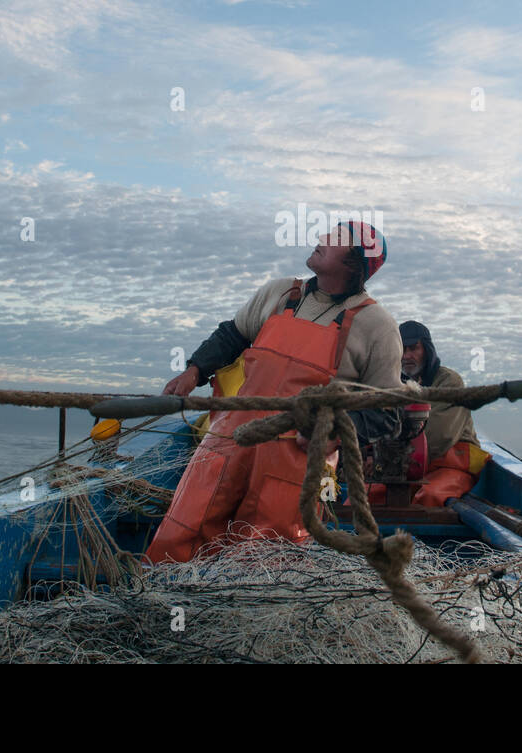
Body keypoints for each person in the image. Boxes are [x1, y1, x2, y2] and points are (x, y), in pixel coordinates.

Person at [144, 221, 402, 563]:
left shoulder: (378, 326)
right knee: (185, 527)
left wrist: (335, 434)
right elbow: (231, 336)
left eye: (337, 239)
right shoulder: (279, 293)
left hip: (295, 461)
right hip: (229, 441)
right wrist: (194, 371)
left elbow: (387, 413)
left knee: (265, 555)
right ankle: (166, 600)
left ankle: (247, 614)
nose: (322, 239)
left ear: (355, 263)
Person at [399, 320, 486, 506]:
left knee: (430, 497)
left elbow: (439, 435)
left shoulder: (449, 382)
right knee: (366, 498)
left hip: (450, 465)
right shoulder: (396, 385)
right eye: (402, 349)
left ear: (427, 351)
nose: (407, 355)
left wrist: (393, 457)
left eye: (414, 349)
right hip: (405, 468)